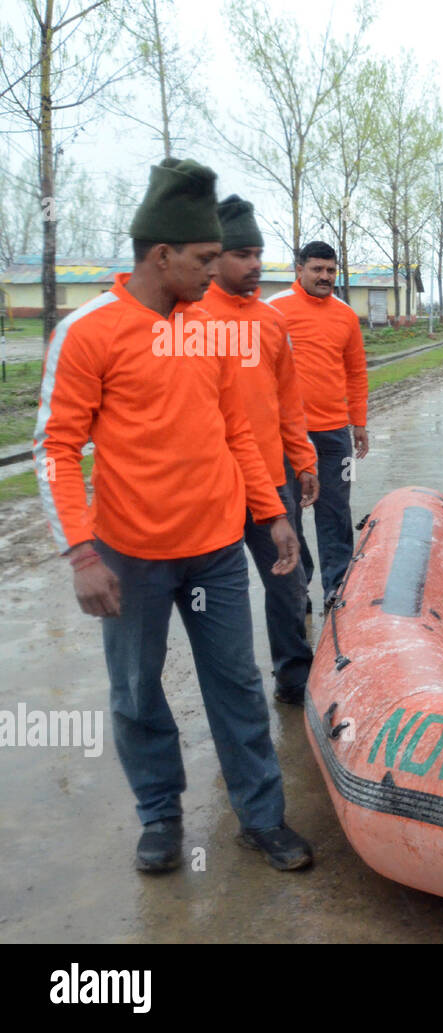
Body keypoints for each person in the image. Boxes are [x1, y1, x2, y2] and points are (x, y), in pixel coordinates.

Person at [33, 157, 314, 872]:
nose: (214, 269)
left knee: (239, 685)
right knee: (136, 690)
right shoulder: (90, 331)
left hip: (217, 549)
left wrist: (271, 510)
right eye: (204, 258)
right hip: (132, 556)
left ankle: (261, 816)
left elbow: (235, 431)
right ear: (162, 255)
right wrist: (83, 554)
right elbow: (57, 448)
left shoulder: (208, 328)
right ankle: (160, 817)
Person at [203, 195, 319, 705]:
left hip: (272, 481)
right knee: (213, 599)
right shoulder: (188, 316)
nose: (255, 265)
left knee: (287, 585)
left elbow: (287, 403)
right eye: (242, 254)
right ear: (215, 257)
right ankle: (230, 692)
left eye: (259, 253)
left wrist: (305, 460)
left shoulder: (272, 322)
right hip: (208, 488)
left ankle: (294, 678)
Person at [268, 241, 368, 605]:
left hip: (334, 435)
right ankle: (298, 586)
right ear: (300, 269)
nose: (325, 276)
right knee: (286, 512)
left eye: (330, 270)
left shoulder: (345, 315)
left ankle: (337, 588)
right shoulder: (274, 311)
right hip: (285, 436)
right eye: (317, 269)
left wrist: (358, 422)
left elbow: (356, 372)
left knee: (336, 511)